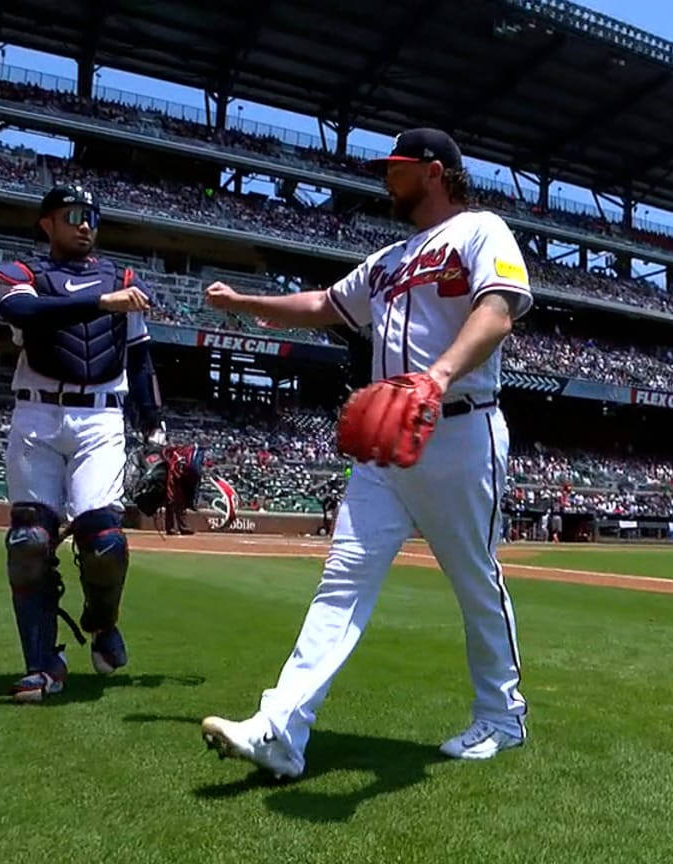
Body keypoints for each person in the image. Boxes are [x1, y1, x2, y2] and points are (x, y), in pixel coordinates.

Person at [197, 128, 532, 779]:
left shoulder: (482, 230)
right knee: (342, 581)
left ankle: (501, 715)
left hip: (460, 430)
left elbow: (497, 311)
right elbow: (324, 304)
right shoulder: (386, 259)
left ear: (434, 172)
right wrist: (245, 304)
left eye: (397, 168)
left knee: (474, 581)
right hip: (387, 442)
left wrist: (436, 378)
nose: (386, 177)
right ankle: (280, 729)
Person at [0, 185, 167, 702]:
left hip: (101, 418)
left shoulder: (124, 281)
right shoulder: (24, 277)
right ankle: (42, 664)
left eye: (92, 216)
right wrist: (99, 302)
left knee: (105, 540)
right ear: (48, 223)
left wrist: (155, 427)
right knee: (28, 543)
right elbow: (23, 315)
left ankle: (102, 620)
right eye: (73, 215)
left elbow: (140, 357)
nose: (85, 224)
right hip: (36, 414)